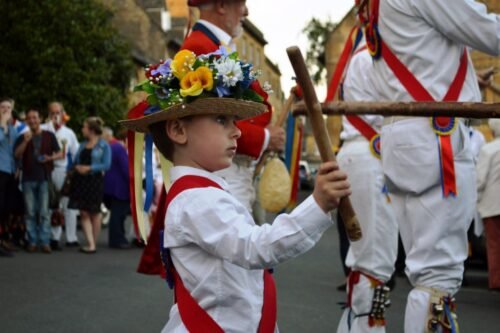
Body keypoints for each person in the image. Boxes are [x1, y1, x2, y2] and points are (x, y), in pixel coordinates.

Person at [122, 49, 351, 332]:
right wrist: (317, 204)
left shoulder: (205, 193)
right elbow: (256, 247)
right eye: (222, 120)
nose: (237, 132)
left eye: (234, 121)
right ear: (178, 130)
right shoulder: (196, 201)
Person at [361, 0, 500, 331]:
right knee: (437, 276)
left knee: (424, 271)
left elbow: (424, 55)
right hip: (435, 139)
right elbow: (490, 32)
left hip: (405, 134)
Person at [184, 0, 285, 213]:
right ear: (222, 5)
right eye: (242, 4)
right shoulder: (200, 47)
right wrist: (266, 138)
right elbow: (206, 125)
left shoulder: (215, 46)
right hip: (222, 173)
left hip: (230, 170)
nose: (246, 11)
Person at [336, 38, 398, 332]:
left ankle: (362, 325)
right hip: (369, 156)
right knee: (372, 260)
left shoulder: (370, 55)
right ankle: (366, 326)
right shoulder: (371, 57)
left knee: (373, 259)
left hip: (368, 154)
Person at [14, 109, 62, 253]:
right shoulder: (22, 136)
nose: (32, 120)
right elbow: (17, 155)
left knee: (44, 212)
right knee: (30, 212)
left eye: (35, 117)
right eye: (29, 118)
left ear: (40, 119)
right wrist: (26, 141)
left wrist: (50, 158)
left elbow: (60, 153)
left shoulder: (49, 135)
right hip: (27, 178)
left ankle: (45, 241)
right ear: (26, 121)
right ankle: (33, 241)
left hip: (44, 177)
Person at [68, 117, 111, 254]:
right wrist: (76, 167)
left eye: (84, 127)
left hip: (94, 181)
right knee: (83, 211)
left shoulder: (104, 145)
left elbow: (107, 164)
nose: (82, 129)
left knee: (95, 212)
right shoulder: (82, 144)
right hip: (81, 181)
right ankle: (91, 244)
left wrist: (90, 168)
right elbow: (75, 160)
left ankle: (93, 241)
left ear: (91, 130)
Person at [41, 102, 80, 249]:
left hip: (63, 171)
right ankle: (54, 237)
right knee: (52, 204)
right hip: (46, 170)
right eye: (53, 113)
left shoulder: (69, 132)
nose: (56, 115)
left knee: (68, 205)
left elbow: (76, 153)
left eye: (58, 112)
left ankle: (71, 237)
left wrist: (72, 171)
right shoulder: (43, 129)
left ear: (63, 113)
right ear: (49, 114)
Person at [476, 119, 500, 291]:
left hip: (492, 205)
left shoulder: (488, 149)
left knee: (494, 244)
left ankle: (497, 280)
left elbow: (480, 180)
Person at [103, 129, 131, 249]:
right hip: (120, 187)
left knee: (116, 214)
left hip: (110, 186)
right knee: (119, 214)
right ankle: (118, 239)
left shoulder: (110, 147)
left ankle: (117, 238)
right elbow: (126, 168)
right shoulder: (118, 148)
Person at [0, 98, 18, 257]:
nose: (6, 110)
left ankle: (3, 240)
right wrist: (2, 125)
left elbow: (14, 150)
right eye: (3, 107)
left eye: (8, 108)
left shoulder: (13, 129)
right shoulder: (2, 127)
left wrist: (17, 168)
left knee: (6, 208)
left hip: (10, 171)